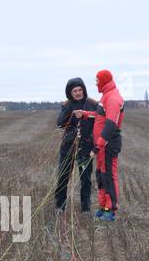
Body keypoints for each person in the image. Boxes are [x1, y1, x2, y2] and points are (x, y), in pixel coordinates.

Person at [53, 77, 97, 213]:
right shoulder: (66, 105)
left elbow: (99, 123)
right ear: (70, 93)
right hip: (68, 146)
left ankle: (85, 208)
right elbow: (60, 123)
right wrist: (72, 115)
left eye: (80, 90)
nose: (78, 93)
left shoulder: (93, 104)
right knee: (63, 176)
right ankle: (60, 206)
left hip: (85, 147)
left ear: (83, 89)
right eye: (75, 91)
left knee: (86, 178)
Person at [92, 69, 124, 221]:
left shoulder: (113, 98)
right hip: (102, 146)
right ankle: (103, 206)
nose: (96, 83)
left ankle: (110, 210)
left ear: (104, 80)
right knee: (101, 176)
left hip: (108, 145)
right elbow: (99, 116)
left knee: (109, 176)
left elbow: (110, 125)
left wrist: (98, 145)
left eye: (97, 80)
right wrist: (84, 113)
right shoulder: (105, 96)